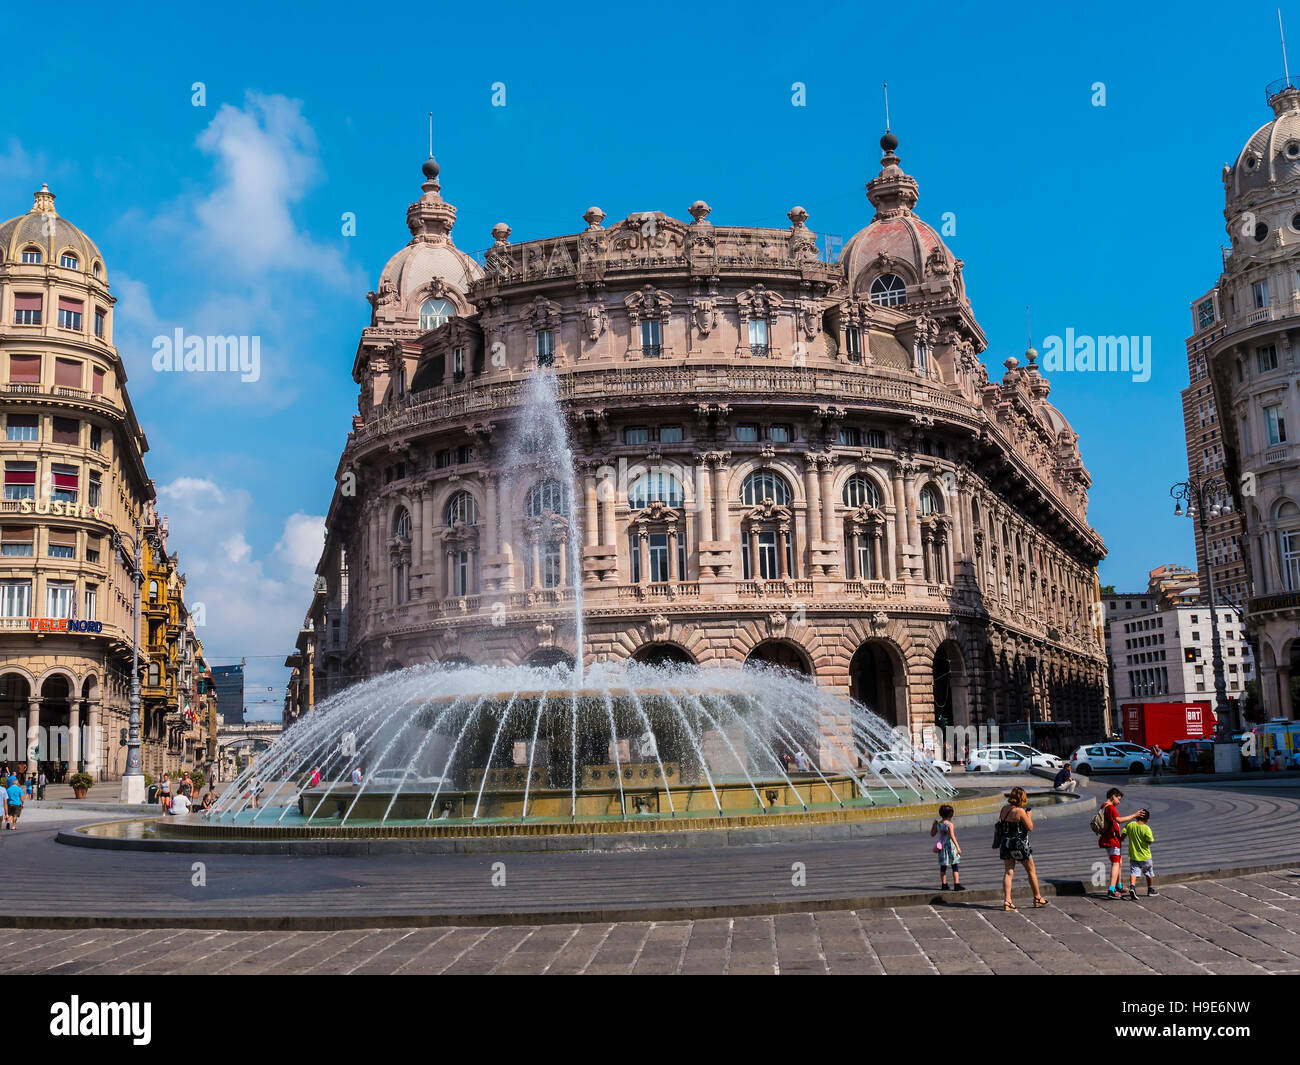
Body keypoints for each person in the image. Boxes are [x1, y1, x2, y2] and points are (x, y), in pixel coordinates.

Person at [998, 786, 1047, 910]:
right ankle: (1037, 898)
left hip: (1006, 844)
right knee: (1031, 871)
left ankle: (1007, 901)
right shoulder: (1020, 811)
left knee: (1008, 872)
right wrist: (1028, 815)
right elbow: (1030, 827)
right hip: (1019, 845)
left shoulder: (1004, 809)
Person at [1099, 787, 1144, 900]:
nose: (1119, 802)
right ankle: (1111, 889)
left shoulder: (1103, 806)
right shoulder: (1110, 807)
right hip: (1112, 839)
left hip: (1108, 838)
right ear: (1113, 796)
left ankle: (1118, 885)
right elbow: (1119, 820)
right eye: (1118, 799)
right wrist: (1134, 815)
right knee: (1115, 863)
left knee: (1119, 861)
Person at [1122, 808, 1156, 898]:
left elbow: (1123, 836)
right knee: (1148, 873)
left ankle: (1132, 887)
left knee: (1134, 872)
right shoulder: (1146, 828)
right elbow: (1150, 841)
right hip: (1145, 856)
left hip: (1133, 855)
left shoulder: (1130, 825)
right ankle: (1150, 889)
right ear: (1147, 820)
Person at [930, 803, 964, 890]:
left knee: (943, 866)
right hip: (950, 847)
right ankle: (956, 884)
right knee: (954, 865)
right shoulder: (949, 824)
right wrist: (958, 847)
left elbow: (932, 834)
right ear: (950, 815)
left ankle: (944, 885)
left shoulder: (939, 824)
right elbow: (952, 836)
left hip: (942, 847)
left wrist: (933, 826)